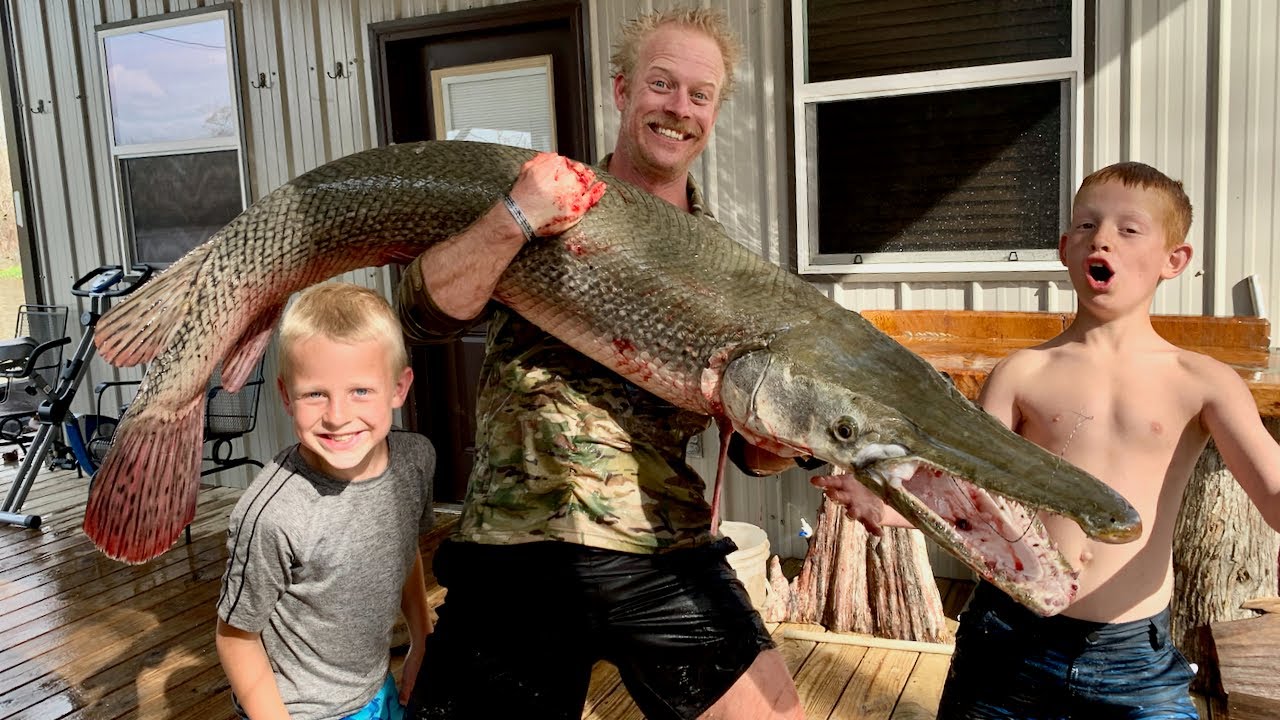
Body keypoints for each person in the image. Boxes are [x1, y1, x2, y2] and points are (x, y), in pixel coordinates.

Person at [396, 7, 803, 720]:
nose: (679, 108)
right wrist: (514, 216)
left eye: (700, 95)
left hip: (662, 546)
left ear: (713, 113)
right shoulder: (543, 196)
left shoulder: (726, 266)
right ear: (622, 90)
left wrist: (787, 442)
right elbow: (422, 314)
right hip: (516, 538)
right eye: (661, 84)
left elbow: (752, 455)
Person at [816, 161, 1280, 718]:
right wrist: (887, 506)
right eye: (1086, 225)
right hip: (1009, 640)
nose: (1101, 239)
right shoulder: (1022, 373)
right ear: (1065, 249)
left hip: (1132, 657)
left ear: (1174, 260)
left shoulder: (1203, 381)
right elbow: (966, 488)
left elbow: (1272, 490)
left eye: (1129, 229)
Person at [215, 283, 436, 720]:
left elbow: (403, 545)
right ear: (286, 396)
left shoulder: (414, 460)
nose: (337, 416)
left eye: (361, 391)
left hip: (377, 689)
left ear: (398, 388)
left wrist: (421, 640)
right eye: (315, 393)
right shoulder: (272, 515)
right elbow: (236, 637)